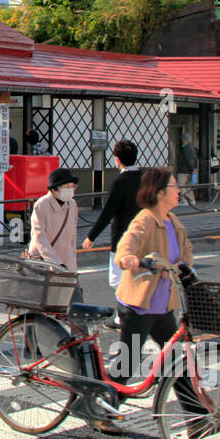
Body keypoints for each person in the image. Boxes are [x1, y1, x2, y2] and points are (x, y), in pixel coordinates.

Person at [115, 167, 210, 430]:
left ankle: (198, 420)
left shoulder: (173, 221)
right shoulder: (144, 220)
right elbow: (127, 244)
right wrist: (128, 259)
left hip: (163, 306)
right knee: (128, 363)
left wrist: (183, 266)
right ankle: (101, 406)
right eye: (174, 186)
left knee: (176, 361)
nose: (179, 190)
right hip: (139, 305)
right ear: (158, 193)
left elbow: (186, 251)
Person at [26, 167, 118, 433]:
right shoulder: (41, 206)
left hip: (69, 269)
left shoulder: (73, 205)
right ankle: (35, 352)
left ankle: (77, 352)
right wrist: (56, 264)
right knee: (41, 312)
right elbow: (39, 238)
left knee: (77, 314)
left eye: (73, 187)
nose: (71, 190)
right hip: (47, 267)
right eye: (66, 186)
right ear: (54, 188)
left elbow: (71, 238)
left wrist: (70, 267)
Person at [82, 140, 143, 331]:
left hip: (122, 240)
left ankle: (126, 316)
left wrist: (91, 236)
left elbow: (108, 212)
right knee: (133, 277)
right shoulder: (146, 178)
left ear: (117, 160)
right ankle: (123, 316)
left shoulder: (120, 182)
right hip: (143, 237)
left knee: (117, 280)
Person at [175, 131, 198, 204]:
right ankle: (191, 199)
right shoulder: (192, 148)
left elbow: (189, 160)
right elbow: (194, 159)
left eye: (182, 138)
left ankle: (184, 200)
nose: (181, 140)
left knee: (181, 185)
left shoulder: (186, 149)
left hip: (183, 170)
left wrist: (192, 169)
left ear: (185, 139)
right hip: (188, 170)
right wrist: (193, 169)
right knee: (188, 185)